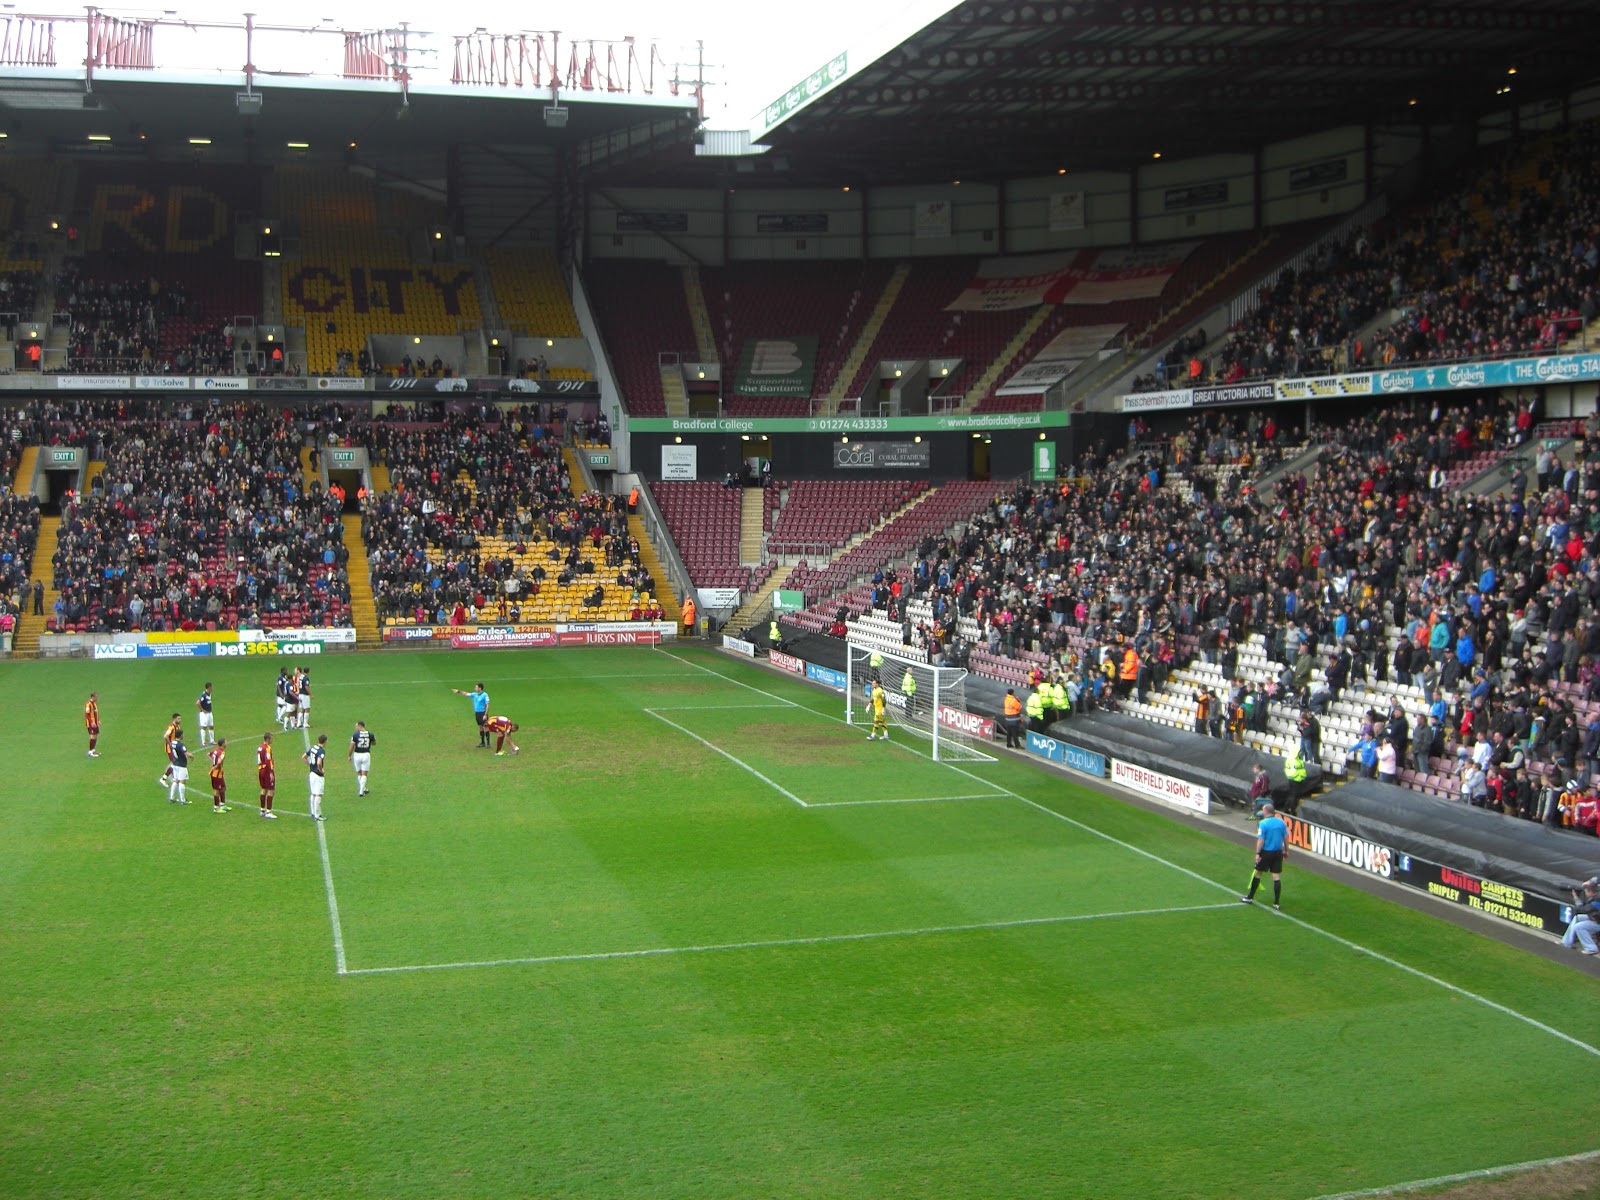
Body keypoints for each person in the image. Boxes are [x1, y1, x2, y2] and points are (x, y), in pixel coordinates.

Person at [1242, 802, 1288, 909]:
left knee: (1258, 873)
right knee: (1276, 876)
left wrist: (1258, 853)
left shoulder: (1263, 823)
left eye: (1263, 810)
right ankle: (1276, 903)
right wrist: (1286, 851)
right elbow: (1286, 838)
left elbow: (1261, 840)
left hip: (1266, 852)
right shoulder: (1281, 822)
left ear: (1266, 812)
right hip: (1278, 853)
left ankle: (1250, 897)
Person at [1561, 879, 1600, 955]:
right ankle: (1566, 943)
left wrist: (1576, 898)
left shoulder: (1597, 900)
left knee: (1579, 926)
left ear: (1590, 892)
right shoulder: (1595, 897)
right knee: (1577, 918)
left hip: (1598, 922)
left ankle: (1591, 948)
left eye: (1586, 892)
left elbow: (1583, 910)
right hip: (1596, 919)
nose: (1585, 894)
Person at [453, 684, 491, 748]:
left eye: (476, 687)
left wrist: (485, 714)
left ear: (480, 688)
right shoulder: (475, 694)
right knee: (480, 727)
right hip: (477, 713)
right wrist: (459, 691)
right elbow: (467, 694)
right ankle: (482, 743)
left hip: (483, 713)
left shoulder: (485, 695)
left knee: (486, 727)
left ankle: (488, 743)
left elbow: (487, 705)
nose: (475, 688)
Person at [303, 733, 328, 821]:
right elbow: (319, 762)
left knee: (313, 793)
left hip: (311, 774)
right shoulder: (321, 751)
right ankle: (317, 815)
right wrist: (321, 769)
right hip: (318, 775)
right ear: (325, 742)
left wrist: (310, 765)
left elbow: (304, 757)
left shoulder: (313, 748)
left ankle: (313, 812)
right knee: (318, 794)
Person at [349, 720, 376, 797]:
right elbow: (374, 743)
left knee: (359, 773)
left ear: (360, 726)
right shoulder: (370, 734)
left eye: (356, 726)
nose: (356, 727)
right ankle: (362, 790)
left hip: (357, 754)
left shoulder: (355, 735)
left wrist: (349, 755)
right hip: (366, 754)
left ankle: (362, 789)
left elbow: (352, 746)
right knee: (364, 773)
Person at [166, 729, 190, 805]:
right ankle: (183, 800)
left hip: (175, 764)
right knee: (182, 782)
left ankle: (172, 797)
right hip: (181, 765)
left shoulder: (172, 743)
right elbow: (185, 753)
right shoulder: (180, 745)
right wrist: (191, 756)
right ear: (181, 735)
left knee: (175, 780)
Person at [257, 732, 278, 819]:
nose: (272, 740)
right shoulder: (267, 748)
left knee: (263, 789)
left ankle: (262, 810)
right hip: (267, 771)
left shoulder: (260, 747)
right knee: (271, 790)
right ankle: (268, 811)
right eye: (271, 738)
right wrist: (271, 773)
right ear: (267, 739)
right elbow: (268, 760)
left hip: (261, 769)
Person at [159, 713, 182, 788]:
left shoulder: (178, 727)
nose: (180, 720)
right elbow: (165, 736)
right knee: (175, 764)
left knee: (176, 763)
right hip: (170, 749)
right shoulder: (171, 727)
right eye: (178, 719)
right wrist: (170, 745)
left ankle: (174, 778)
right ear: (174, 719)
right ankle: (163, 778)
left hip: (175, 748)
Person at [208, 739, 230, 813]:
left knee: (223, 787)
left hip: (218, 773)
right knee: (217, 790)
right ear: (223, 744)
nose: (227, 743)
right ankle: (216, 808)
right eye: (226, 742)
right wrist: (216, 766)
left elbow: (208, 754)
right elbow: (220, 761)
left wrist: (213, 763)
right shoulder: (222, 752)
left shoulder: (215, 750)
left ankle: (222, 805)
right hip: (216, 774)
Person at [195, 682, 216, 748]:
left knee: (211, 726)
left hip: (209, 713)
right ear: (209, 687)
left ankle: (212, 740)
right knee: (204, 727)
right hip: (204, 714)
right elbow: (198, 703)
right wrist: (202, 709)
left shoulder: (209, 694)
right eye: (212, 686)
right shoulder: (203, 695)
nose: (213, 688)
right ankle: (203, 742)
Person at [84, 691, 100, 758]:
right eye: (96, 697)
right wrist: (92, 722)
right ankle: (90, 752)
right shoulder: (88, 704)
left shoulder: (94, 704)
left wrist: (98, 720)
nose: (97, 698)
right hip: (91, 724)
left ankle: (93, 750)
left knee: (95, 736)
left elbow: (96, 713)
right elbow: (87, 714)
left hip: (95, 723)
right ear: (92, 697)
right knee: (92, 736)